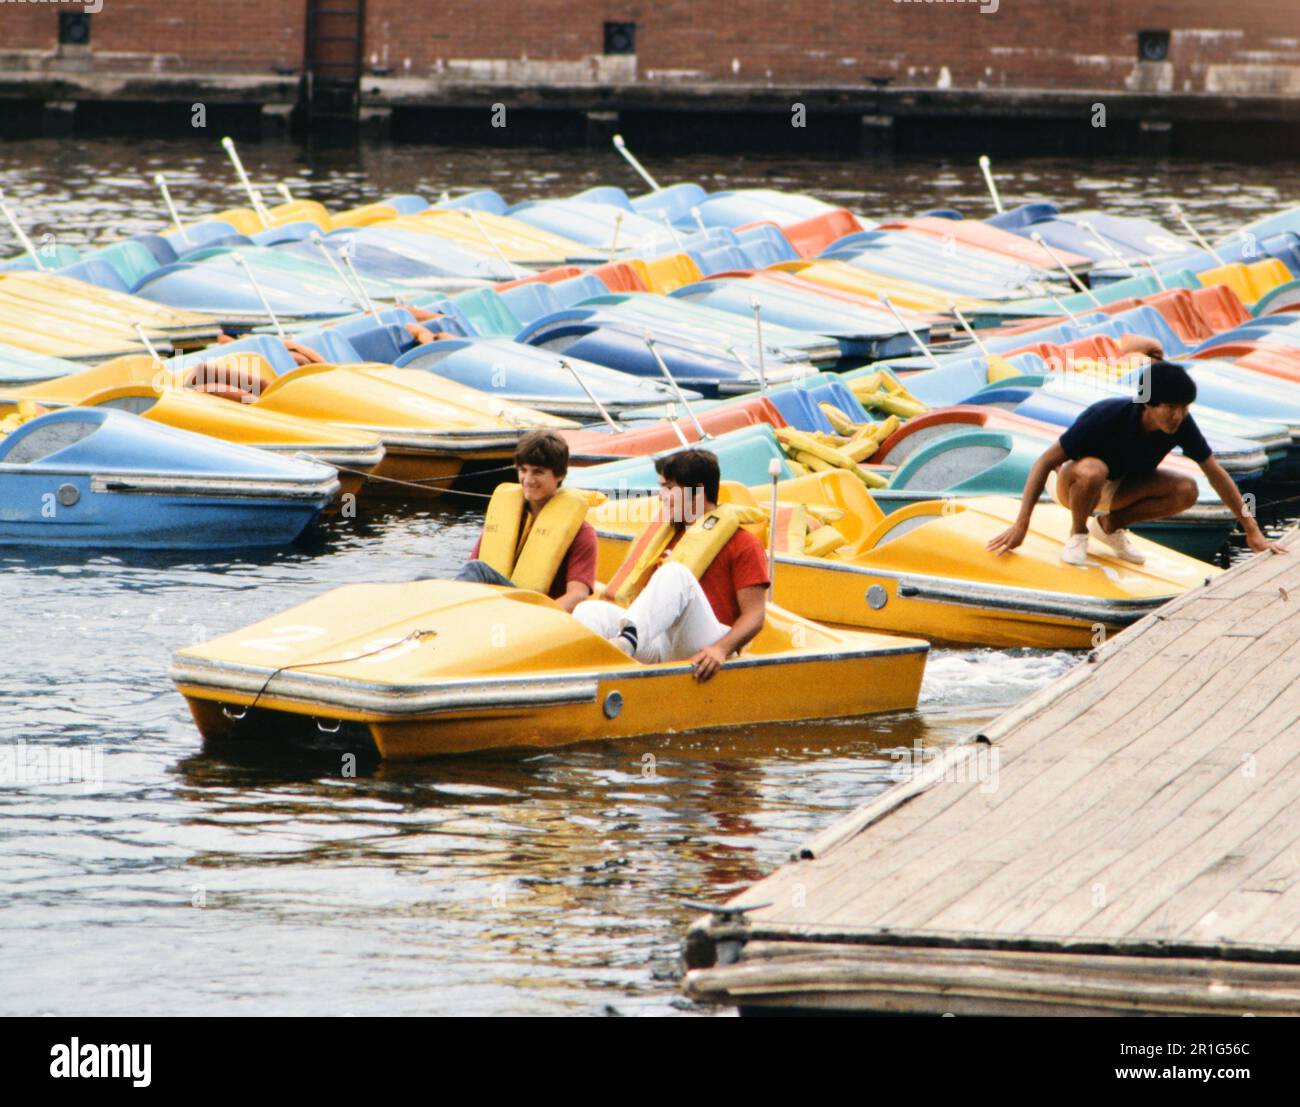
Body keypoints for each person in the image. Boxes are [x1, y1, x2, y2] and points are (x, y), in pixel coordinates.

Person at [987, 360, 1287, 564]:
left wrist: (1252, 530)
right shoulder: (1107, 415)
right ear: (1148, 403)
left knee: (1187, 489)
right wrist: (1021, 524)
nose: (1177, 416)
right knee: (1095, 470)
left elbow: (1216, 473)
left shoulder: (1181, 424)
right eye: (1170, 407)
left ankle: (1109, 525)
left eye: (1183, 408)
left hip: (1118, 489)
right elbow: (1044, 462)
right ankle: (1078, 533)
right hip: (1074, 484)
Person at [571, 449, 770, 682]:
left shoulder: (744, 543)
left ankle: (626, 643)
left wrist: (721, 649)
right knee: (589, 610)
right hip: (662, 643)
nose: (660, 496)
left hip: (707, 643)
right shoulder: (667, 537)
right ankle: (582, 677)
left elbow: (755, 616)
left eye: (668, 488)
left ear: (697, 491)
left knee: (675, 572)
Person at [456, 430, 597, 612]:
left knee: (476, 568)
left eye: (538, 472)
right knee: (423, 579)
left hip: (532, 614)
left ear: (559, 475)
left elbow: (578, 595)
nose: (528, 480)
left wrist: (536, 620)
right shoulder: (505, 516)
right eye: (523, 470)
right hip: (493, 607)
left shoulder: (582, 532)